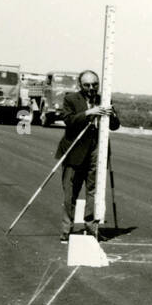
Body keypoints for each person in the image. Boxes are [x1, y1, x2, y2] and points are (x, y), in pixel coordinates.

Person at [56, 70, 119, 243]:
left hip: (96, 151)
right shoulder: (71, 99)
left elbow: (115, 125)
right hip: (74, 151)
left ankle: (91, 228)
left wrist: (111, 114)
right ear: (80, 85)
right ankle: (66, 231)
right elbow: (68, 120)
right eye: (87, 85)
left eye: (94, 85)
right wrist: (89, 113)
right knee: (70, 193)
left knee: (94, 191)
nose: (91, 88)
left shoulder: (104, 99)